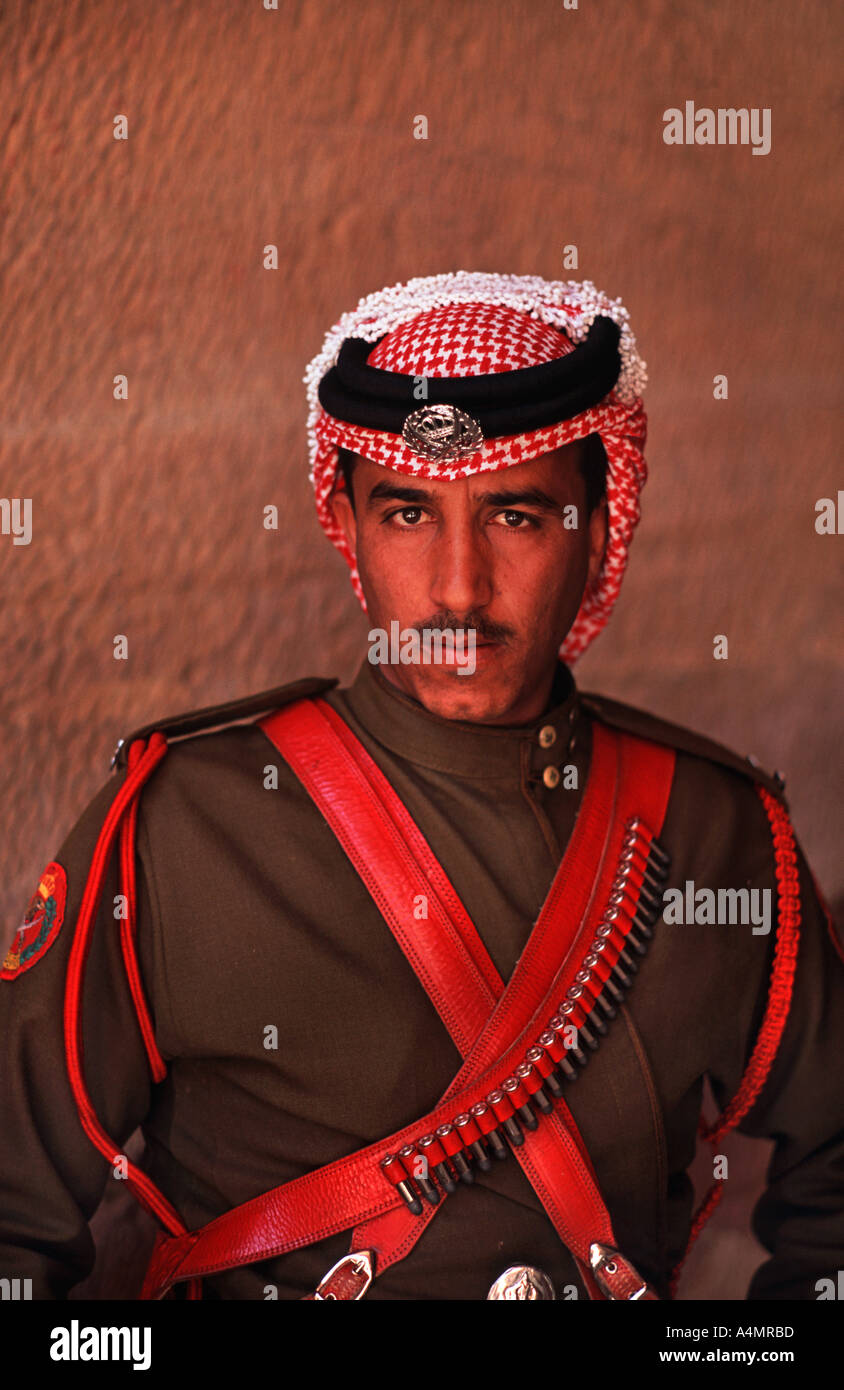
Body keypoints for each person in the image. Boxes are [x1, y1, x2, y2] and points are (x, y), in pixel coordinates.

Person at [1, 271, 842, 1302]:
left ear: (596, 530)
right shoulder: (184, 823)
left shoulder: (716, 830)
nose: (456, 586)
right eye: (406, 512)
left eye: (517, 516)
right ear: (347, 525)